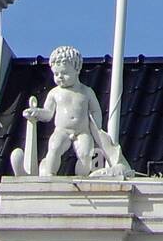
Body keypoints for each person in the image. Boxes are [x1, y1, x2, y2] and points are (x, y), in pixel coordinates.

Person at [24, 45, 104, 176]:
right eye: (56, 74)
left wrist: (97, 127)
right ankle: (49, 173)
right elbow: (48, 113)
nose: (60, 77)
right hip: (62, 130)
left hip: (82, 131)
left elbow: (96, 111)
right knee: (54, 147)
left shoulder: (87, 92)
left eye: (64, 73)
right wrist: (37, 113)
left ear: (77, 69)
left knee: (86, 154)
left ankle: (82, 177)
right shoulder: (55, 93)